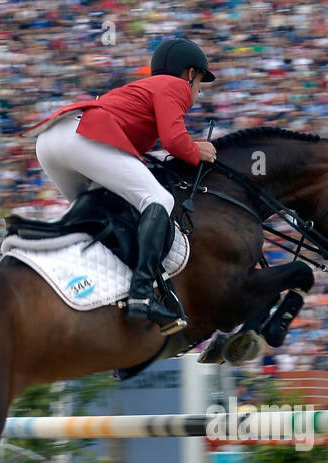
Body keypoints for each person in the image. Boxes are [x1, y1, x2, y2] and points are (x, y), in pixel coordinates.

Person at [30, 38, 217, 332]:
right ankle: (141, 294)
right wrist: (197, 151)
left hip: (51, 142)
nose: (198, 91)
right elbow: (173, 140)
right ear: (189, 73)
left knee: (98, 219)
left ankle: (85, 290)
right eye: (200, 82)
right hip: (81, 137)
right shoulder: (175, 86)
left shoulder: (140, 91)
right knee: (159, 200)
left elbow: (136, 152)